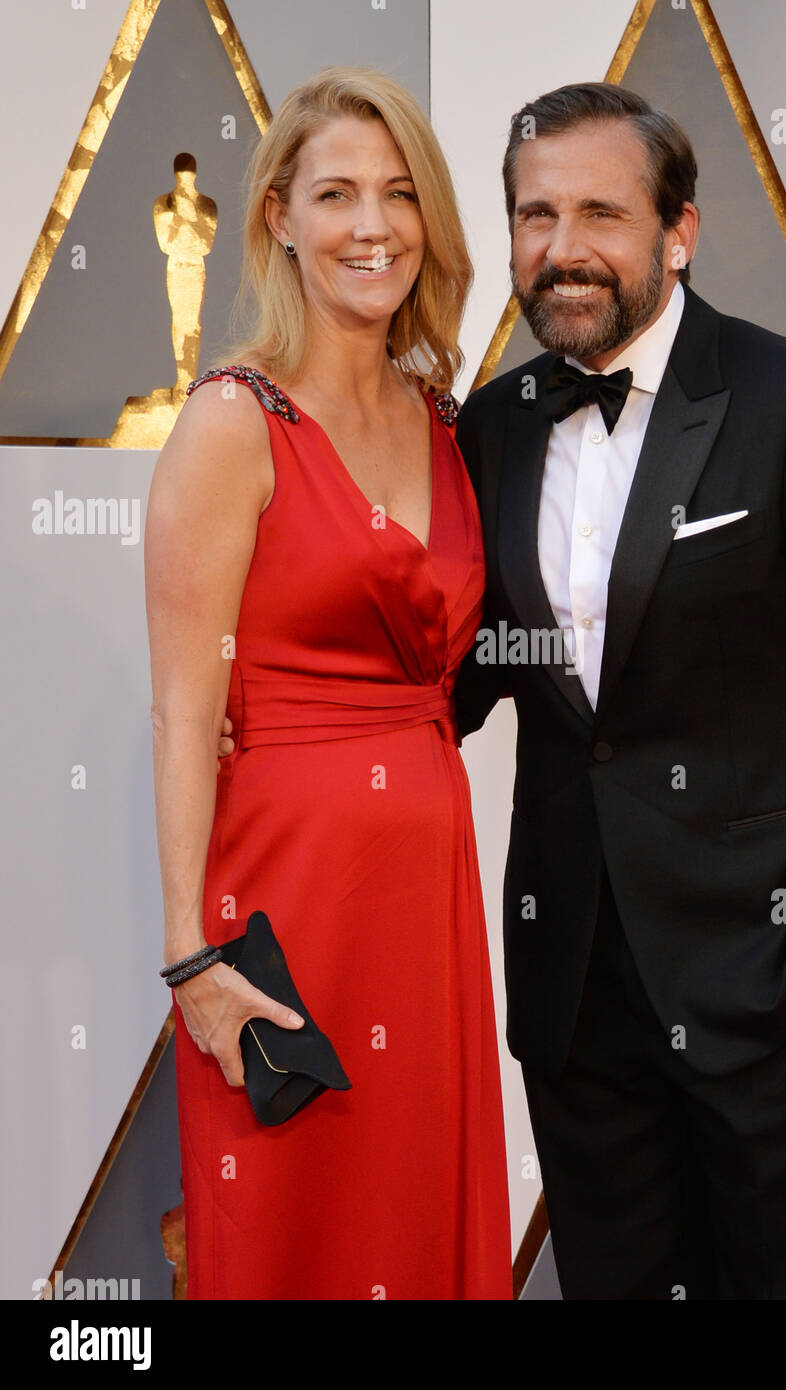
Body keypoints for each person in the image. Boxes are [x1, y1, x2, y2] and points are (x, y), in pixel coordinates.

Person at [450, 83, 786, 1299]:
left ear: (678, 231)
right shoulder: (495, 425)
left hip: (777, 977)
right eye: (534, 216)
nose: (561, 251)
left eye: (599, 214)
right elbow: (458, 667)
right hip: (575, 987)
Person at [146, 67, 511, 1300]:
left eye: (401, 193)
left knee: (414, 1222)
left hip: (427, 898)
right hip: (288, 903)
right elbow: (186, 709)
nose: (374, 225)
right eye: (338, 193)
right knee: (294, 1234)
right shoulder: (231, 423)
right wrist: (190, 956)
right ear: (278, 219)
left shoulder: (446, 424)